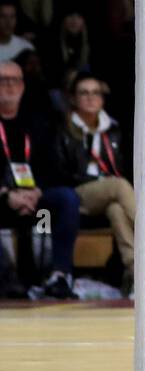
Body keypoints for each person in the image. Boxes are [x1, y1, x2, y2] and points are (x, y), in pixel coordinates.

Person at [0, 60, 80, 298]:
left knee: (66, 198)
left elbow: (54, 168)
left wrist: (37, 191)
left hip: (36, 203)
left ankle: (59, 276)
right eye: (3, 80)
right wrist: (6, 194)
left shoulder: (38, 123)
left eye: (15, 80)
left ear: (23, 86)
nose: (9, 86)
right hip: (3, 202)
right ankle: (7, 279)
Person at [52, 74, 136, 295]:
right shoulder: (63, 129)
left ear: (103, 99)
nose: (90, 98)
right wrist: (100, 182)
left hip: (110, 195)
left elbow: (126, 167)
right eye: (84, 93)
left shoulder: (114, 129)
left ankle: (137, 275)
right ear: (73, 99)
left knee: (117, 210)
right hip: (78, 194)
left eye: (95, 93)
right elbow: (61, 172)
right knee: (118, 185)